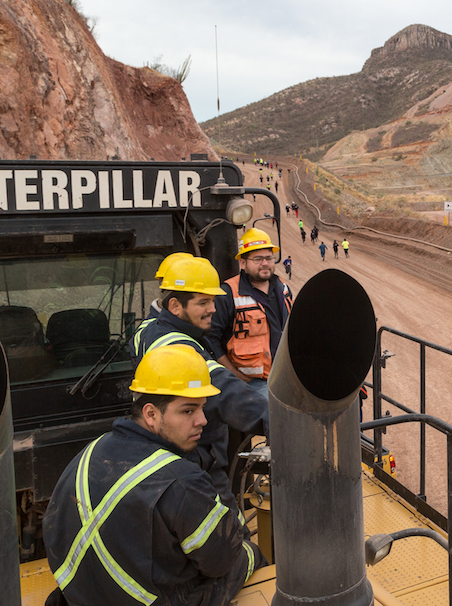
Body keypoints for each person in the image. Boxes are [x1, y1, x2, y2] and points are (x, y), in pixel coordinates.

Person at [43, 345, 263, 606]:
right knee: (250, 554)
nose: (203, 420)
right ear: (150, 414)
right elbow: (221, 560)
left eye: (203, 408)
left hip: (79, 597)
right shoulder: (182, 481)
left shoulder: (91, 451)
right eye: (188, 411)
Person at [130, 256, 269, 506]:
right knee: (228, 529)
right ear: (174, 306)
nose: (213, 309)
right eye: (203, 302)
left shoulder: (150, 328)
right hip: (197, 458)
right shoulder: (175, 346)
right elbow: (222, 388)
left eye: (214, 301)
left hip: (179, 451)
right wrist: (278, 420)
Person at [206, 228, 293, 400]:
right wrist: (234, 375)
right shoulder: (229, 293)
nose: (265, 263)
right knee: (273, 421)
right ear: (243, 263)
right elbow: (211, 340)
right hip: (251, 383)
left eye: (269, 258)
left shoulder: (282, 287)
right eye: (257, 259)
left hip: (283, 376)